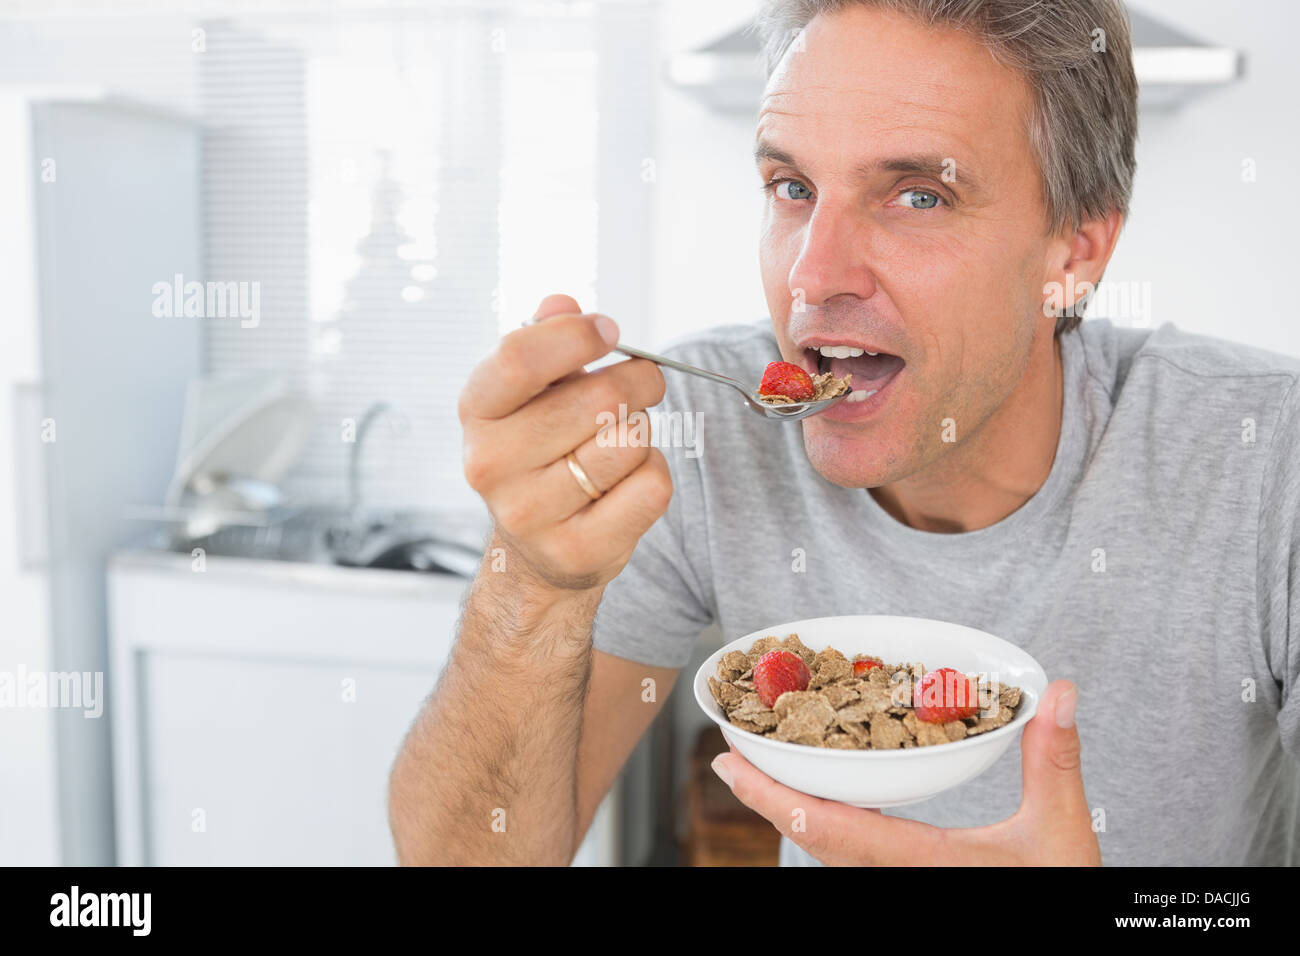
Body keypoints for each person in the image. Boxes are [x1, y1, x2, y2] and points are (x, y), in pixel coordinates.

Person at [388, 0, 1300, 865]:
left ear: (1076, 252)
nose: (812, 277)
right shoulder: (690, 434)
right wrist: (530, 583)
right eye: (792, 187)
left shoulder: (1267, 459)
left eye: (919, 197)